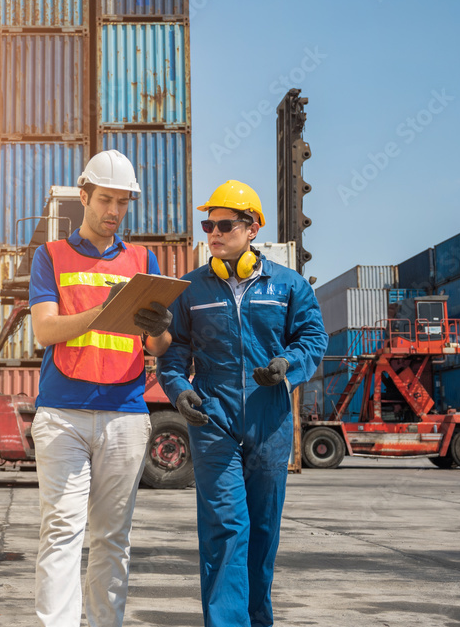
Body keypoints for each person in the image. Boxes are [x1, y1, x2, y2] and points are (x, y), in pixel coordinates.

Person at [158, 180, 327, 627]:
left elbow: (313, 338)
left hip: (269, 422)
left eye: (224, 224)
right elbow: (172, 355)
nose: (212, 232)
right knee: (225, 529)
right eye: (207, 224)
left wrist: (286, 365)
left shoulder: (288, 286)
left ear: (252, 229)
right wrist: (179, 390)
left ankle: (258, 619)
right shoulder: (190, 289)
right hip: (213, 419)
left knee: (263, 531)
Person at [28, 149, 173, 627]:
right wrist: (106, 309)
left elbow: (158, 345)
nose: (113, 212)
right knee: (62, 530)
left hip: (125, 414)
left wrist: (159, 326)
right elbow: (45, 332)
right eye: (105, 199)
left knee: (112, 537)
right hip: (63, 414)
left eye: (122, 203)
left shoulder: (142, 260)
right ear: (84, 195)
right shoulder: (51, 256)